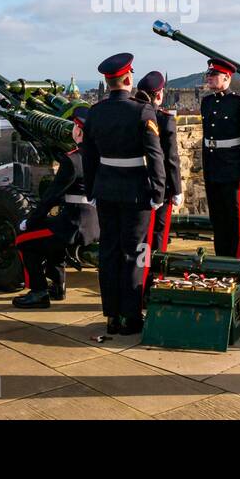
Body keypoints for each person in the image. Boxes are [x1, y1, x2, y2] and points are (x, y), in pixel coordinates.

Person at [82, 52, 166, 335]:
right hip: (135, 191)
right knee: (133, 252)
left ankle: (112, 316)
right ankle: (130, 316)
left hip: (105, 189)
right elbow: (155, 156)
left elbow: (88, 156)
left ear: (108, 82)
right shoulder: (142, 111)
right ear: (129, 79)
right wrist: (158, 191)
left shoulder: (95, 112)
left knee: (109, 252)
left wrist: (92, 188)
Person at [12, 107, 100, 309]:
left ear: (78, 131)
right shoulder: (101, 154)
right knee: (51, 234)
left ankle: (38, 291)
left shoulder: (72, 160)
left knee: (24, 240)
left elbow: (52, 195)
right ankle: (57, 286)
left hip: (74, 225)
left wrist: (30, 221)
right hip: (94, 223)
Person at [200, 57, 240, 257]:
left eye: (213, 75)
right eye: (208, 74)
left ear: (226, 78)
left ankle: (235, 263)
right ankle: (221, 260)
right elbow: (207, 139)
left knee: (234, 220)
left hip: (233, 169)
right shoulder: (206, 102)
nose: (209, 78)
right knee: (217, 219)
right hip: (213, 168)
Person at [134, 70, 183, 260]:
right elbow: (171, 158)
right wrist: (177, 189)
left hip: (135, 186)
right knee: (157, 234)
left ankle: (139, 271)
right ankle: (153, 275)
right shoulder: (164, 119)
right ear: (160, 94)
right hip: (160, 188)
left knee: (140, 236)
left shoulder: (132, 114)